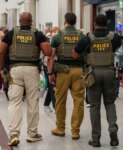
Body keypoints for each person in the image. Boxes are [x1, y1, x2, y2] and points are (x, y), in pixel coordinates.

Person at [0, 12, 52, 146]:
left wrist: (2, 67)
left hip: (15, 70)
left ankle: (13, 134)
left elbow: (1, 51)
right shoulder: (37, 34)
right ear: (31, 21)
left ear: (19, 21)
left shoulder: (11, 33)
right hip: (32, 71)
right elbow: (48, 52)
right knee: (32, 102)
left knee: (14, 102)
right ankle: (32, 134)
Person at [72, 14, 122, 147]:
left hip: (93, 73)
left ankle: (96, 138)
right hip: (110, 72)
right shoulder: (114, 37)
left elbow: (75, 54)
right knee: (110, 103)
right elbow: (117, 48)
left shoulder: (88, 38)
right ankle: (112, 129)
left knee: (94, 106)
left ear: (94, 24)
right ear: (107, 24)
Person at [49, 12, 85, 140]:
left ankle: (60, 128)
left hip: (62, 72)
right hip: (78, 71)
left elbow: (51, 57)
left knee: (60, 100)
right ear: (75, 22)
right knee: (79, 101)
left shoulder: (58, 37)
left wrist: (50, 73)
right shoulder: (82, 36)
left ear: (65, 22)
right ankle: (75, 131)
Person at [43, 27, 60, 112]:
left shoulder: (55, 40)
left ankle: (46, 104)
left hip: (51, 64)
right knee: (53, 86)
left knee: (51, 86)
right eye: (55, 32)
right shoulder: (50, 39)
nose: (56, 33)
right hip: (48, 65)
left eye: (57, 32)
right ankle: (55, 107)